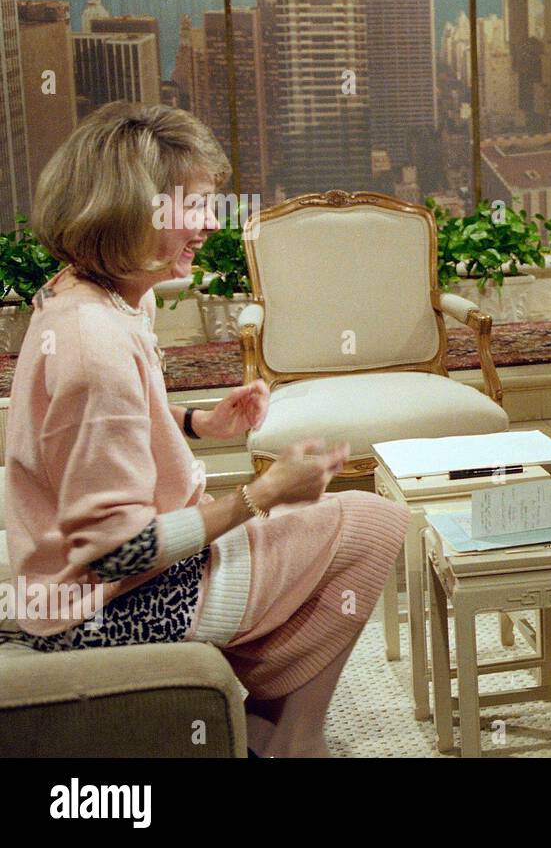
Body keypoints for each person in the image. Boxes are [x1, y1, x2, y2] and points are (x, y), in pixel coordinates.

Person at [1, 102, 410, 758]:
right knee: (371, 523)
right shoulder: (94, 344)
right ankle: (292, 741)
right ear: (129, 212)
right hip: (106, 613)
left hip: (80, 590)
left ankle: (262, 727)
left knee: (334, 527)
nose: (208, 223)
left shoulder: (82, 295)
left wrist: (199, 421)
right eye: (190, 207)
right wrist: (263, 496)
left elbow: (95, 432)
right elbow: (119, 551)